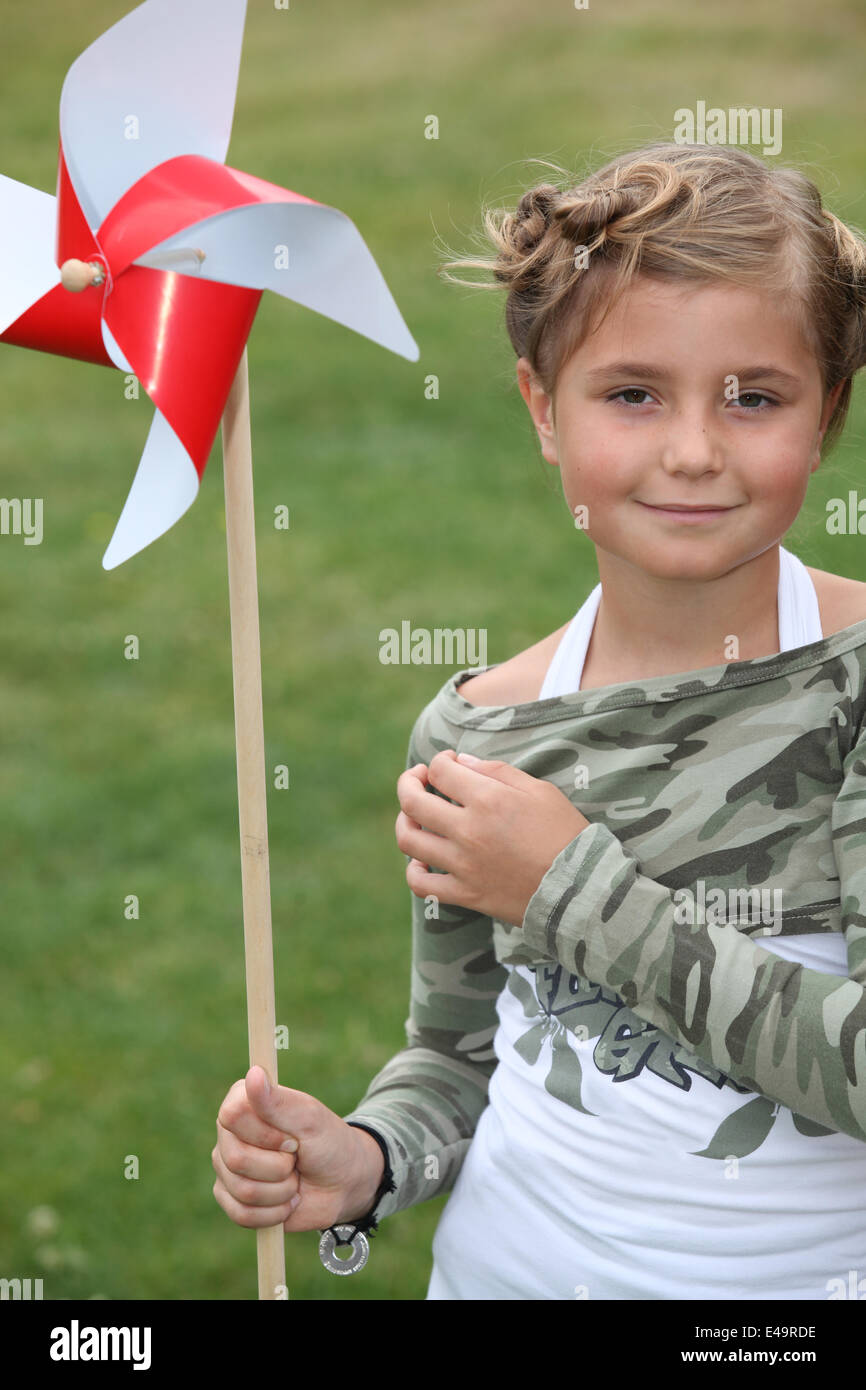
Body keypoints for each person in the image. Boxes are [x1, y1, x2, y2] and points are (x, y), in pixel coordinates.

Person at [212, 140, 866, 1299]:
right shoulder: (476, 737)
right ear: (540, 408)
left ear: (825, 415)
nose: (691, 450)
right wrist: (366, 1157)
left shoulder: (850, 684)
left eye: (752, 397)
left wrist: (567, 888)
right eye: (629, 393)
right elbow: (457, 1056)